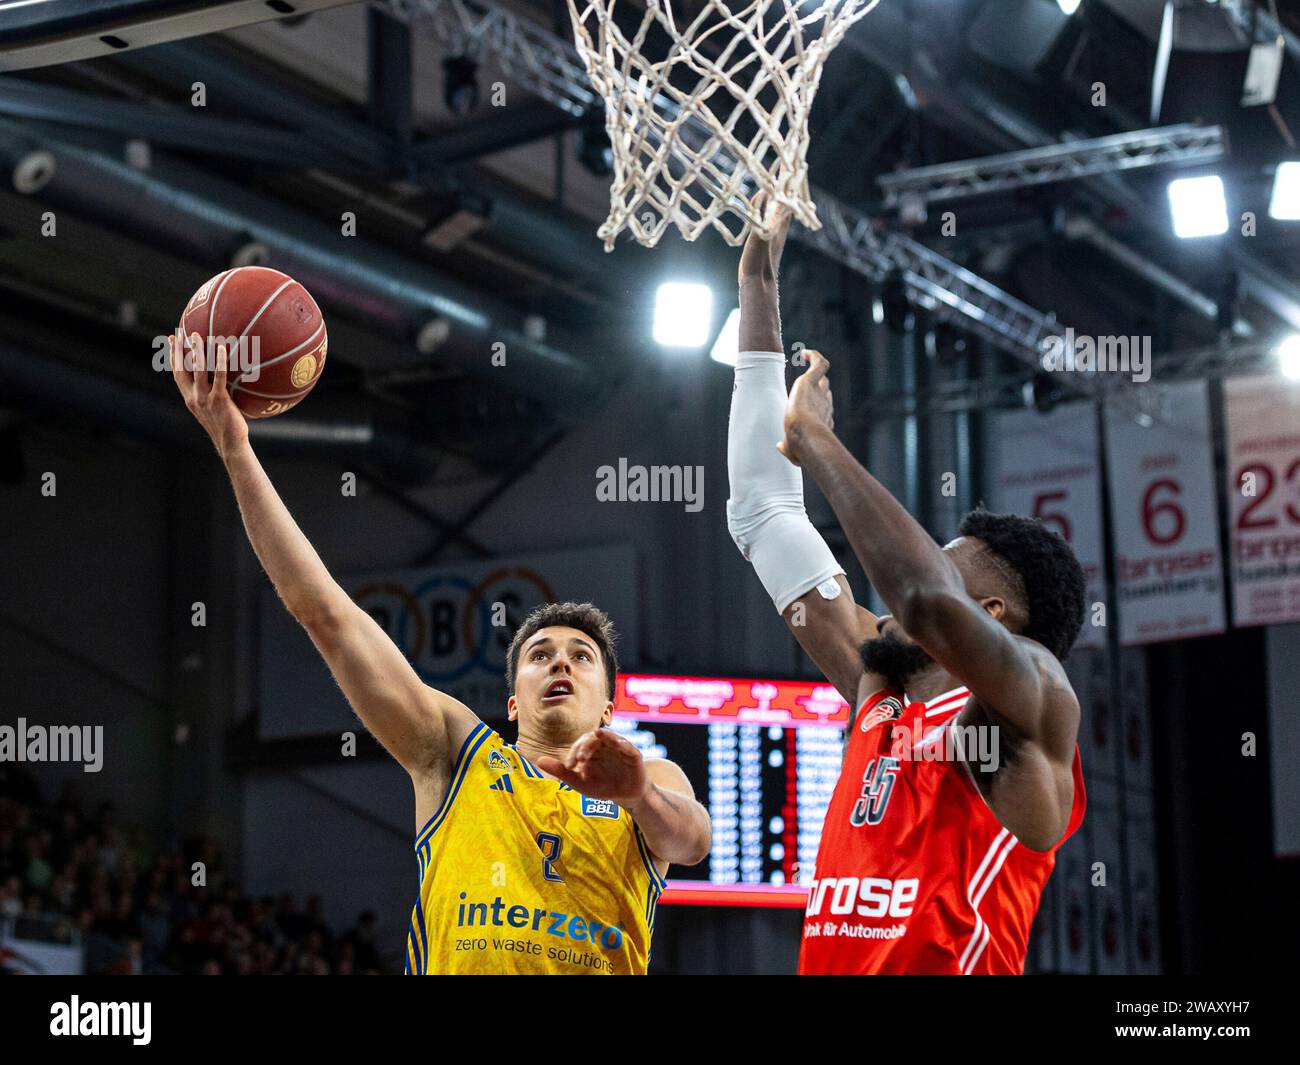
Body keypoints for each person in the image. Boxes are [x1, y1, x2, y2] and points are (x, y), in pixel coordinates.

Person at [169, 333, 711, 974]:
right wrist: (235, 450)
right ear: (512, 702)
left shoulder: (650, 784)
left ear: (610, 710)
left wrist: (639, 795)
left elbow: (693, 841)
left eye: (581, 657)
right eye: (540, 654)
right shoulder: (457, 757)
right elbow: (329, 618)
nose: (560, 663)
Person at [725, 206, 1086, 974]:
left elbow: (925, 599)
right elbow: (762, 514)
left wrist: (819, 441)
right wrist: (758, 290)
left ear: (994, 617)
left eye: (952, 567)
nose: (883, 602)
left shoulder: (1033, 698)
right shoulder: (882, 685)